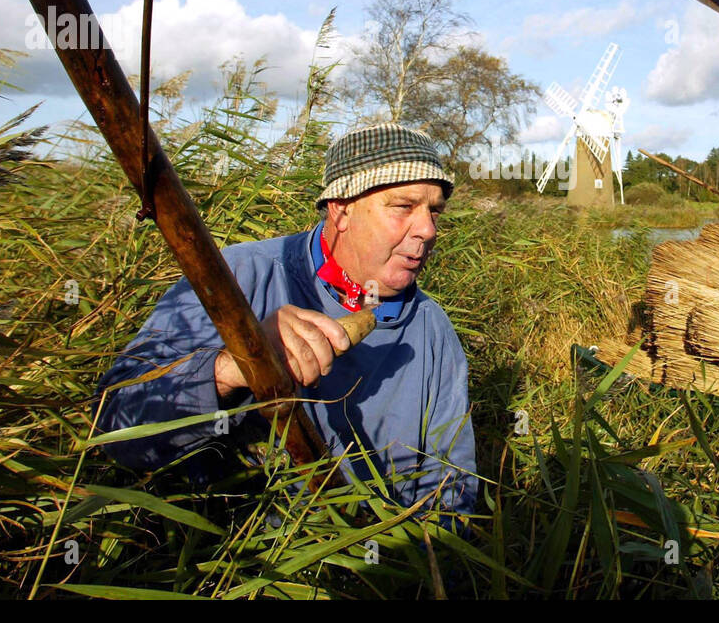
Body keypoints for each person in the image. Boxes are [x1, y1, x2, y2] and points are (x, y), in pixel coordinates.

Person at [93, 122, 478, 522]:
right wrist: (232, 367)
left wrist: (420, 564)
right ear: (342, 210)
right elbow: (114, 426)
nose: (428, 230)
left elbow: (451, 481)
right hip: (232, 567)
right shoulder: (232, 278)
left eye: (434, 211)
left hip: (374, 566)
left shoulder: (433, 331)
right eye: (403, 206)